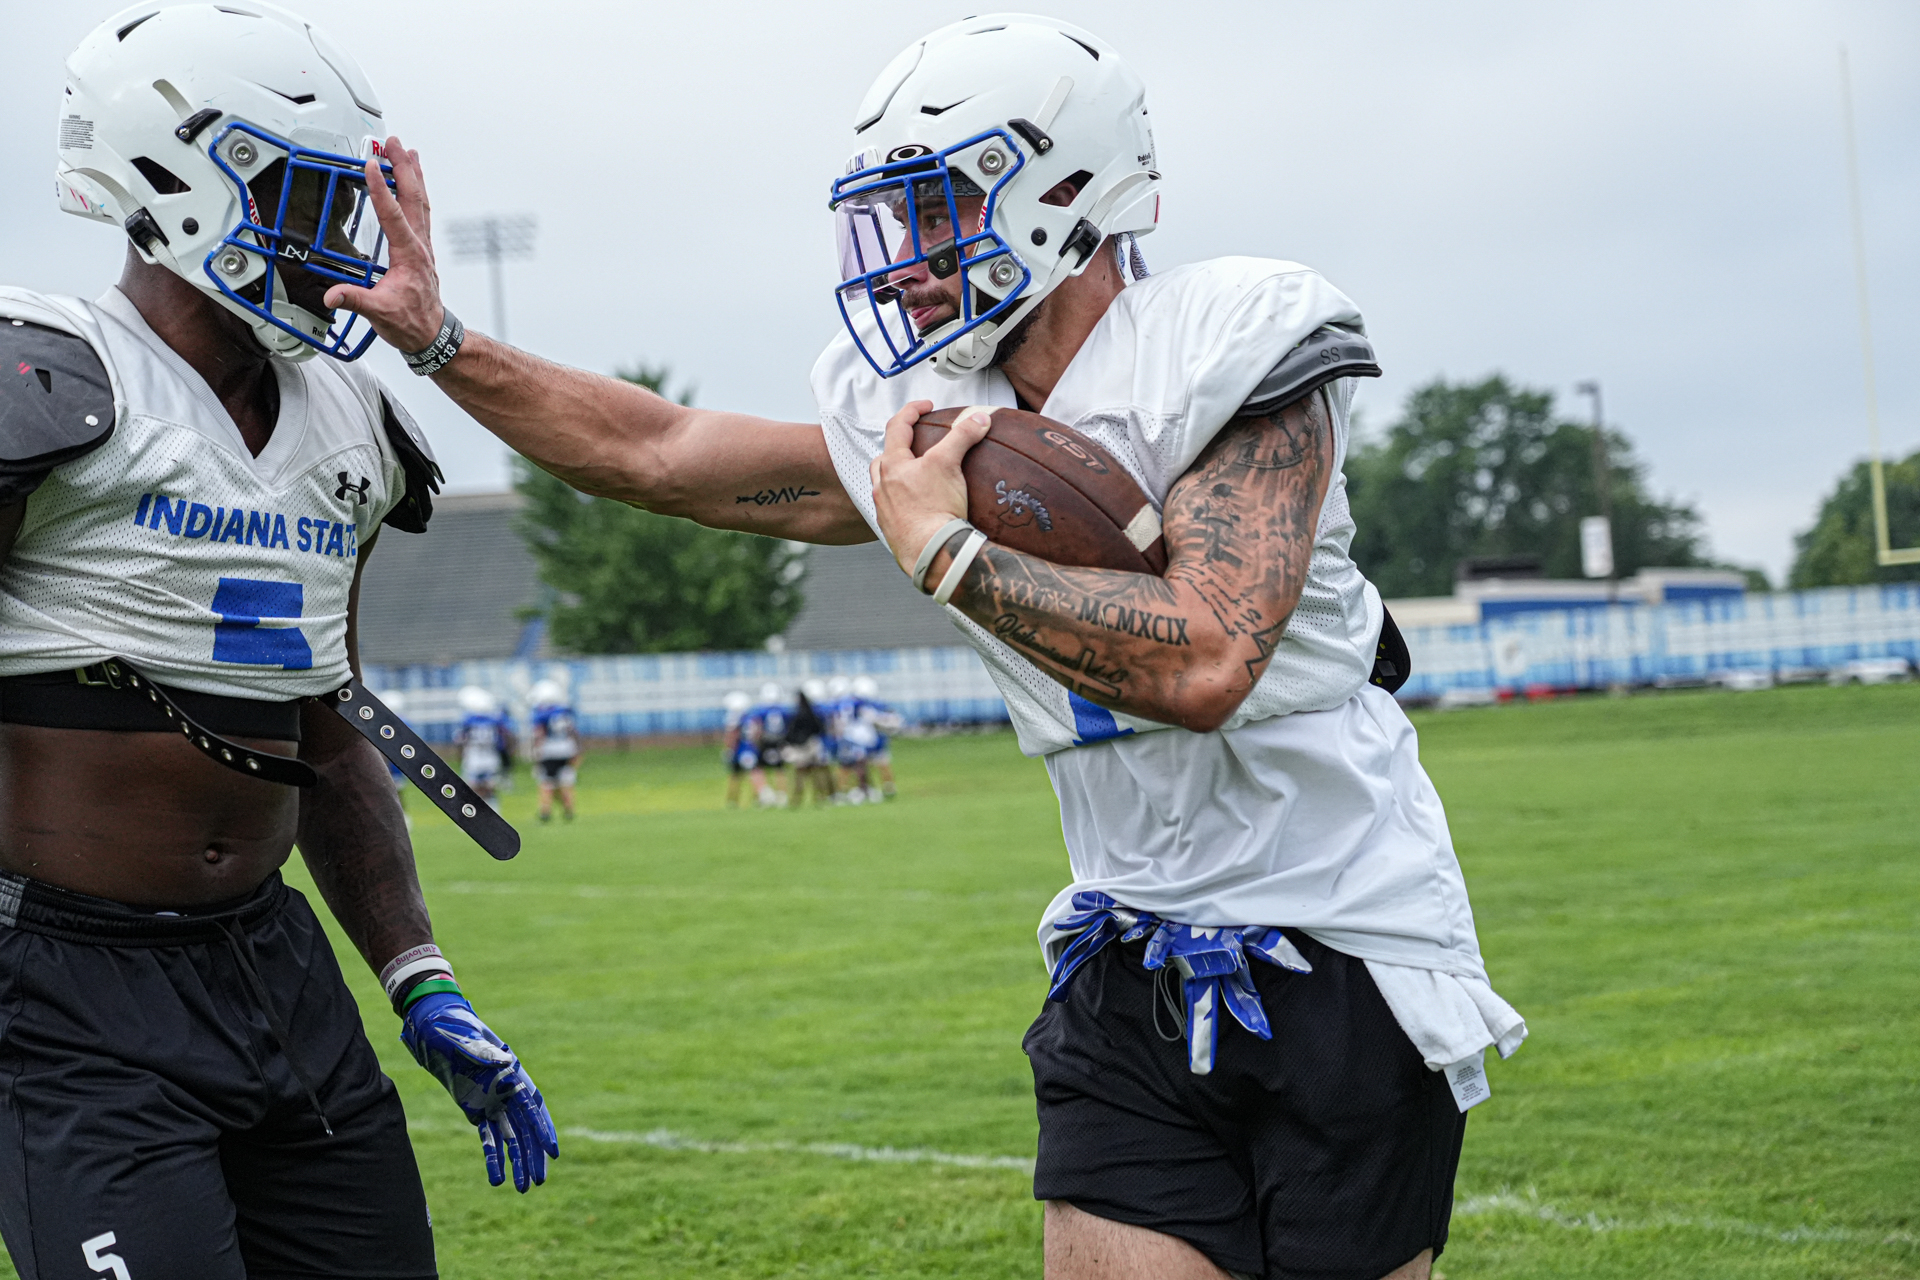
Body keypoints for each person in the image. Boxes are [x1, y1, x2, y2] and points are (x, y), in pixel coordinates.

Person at [329, 15, 1524, 1278]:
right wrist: (440, 341)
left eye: (938, 208)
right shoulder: (935, 416)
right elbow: (660, 455)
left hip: (1345, 944)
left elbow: (1208, 661)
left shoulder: (1231, 333)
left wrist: (948, 553)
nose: (902, 260)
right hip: (1127, 942)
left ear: (1066, 192)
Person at [0, 6, 556, 1277]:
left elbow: (330, 714)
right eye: (301, 196)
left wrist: (419, 973)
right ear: (176, 177)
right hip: (66, 983)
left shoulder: (350, 420)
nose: (336, 240)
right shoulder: (55, 374)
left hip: (270, 963)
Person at [527, 677, 581, 823]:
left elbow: (540, 734)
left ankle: (545, 811)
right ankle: (569, 810)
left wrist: (535, 752)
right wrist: (577, 751)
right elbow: (573, 732)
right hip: (567, 749)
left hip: (550, 751)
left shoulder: (541, 713)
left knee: (546, 783)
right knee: (566, 782)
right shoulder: (565, 711)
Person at [848, 675, 901, 802]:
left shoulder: (861, 705)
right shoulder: (878, 704)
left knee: (863, 766)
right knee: (881, 764)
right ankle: (887, 788)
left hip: (868, 740)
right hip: (877, 739)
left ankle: (867, 789)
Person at [454, 684, 507, 809]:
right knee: (490, 787)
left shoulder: (468, 720)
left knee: (471, 789)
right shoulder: (494, 719)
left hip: (474, 757)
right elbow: (501, 741)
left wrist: (460, 755)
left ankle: (470, 816)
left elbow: (460, 740)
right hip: (490, 756)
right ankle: (494, 813)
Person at [722, 689, 757, 808]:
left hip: (740, 751)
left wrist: (728, 748)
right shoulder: (749, 717)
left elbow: (732, 734)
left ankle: (733, 800)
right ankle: (756, 798)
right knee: (751, 774)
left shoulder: (735, 717)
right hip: (750, 750)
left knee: (737, 776)